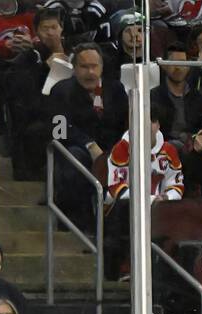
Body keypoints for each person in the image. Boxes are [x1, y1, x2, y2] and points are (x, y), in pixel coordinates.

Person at [48, 43, 128, 232]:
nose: (90, 72)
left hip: (112, 148)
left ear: (102, 67)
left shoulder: (115, 89)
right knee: (74, 158)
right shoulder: (61, 90)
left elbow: (125, 123)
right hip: (78, 149)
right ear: (74, 68)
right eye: (84, 67)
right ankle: (77, 224)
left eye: (94, 66)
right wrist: (88, 144)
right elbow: (59, 131)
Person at [105, 117, 184, 279]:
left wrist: (167, 197)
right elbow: (117, 188)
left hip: (160, 208)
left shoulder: (169, 150)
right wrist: (150, 200)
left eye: (152, 120)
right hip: (125, 207)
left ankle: (165, 274)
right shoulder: (121, 148)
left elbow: (176, 183)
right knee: (125, 210)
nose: (147, 125)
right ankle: (125, 268)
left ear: (158, 125)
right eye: (142, 119)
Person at [3, 6, 72, 180]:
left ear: (61, 28)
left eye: (54, 27)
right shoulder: (29, 58)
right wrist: (45, 68)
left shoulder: (75, 53)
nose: (50, 33)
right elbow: (25, 98)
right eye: (45, 28)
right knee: (57, 124)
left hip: (74, 112)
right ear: (37, 32)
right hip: (43, 116)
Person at [154, 43, 202, 146]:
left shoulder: (198, 98)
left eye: (182, 62)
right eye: (173, 63)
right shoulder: (153, 97)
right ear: (164, 66)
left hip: (193, 147)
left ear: (189, 66)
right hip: (162, 148)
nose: (178, 67)